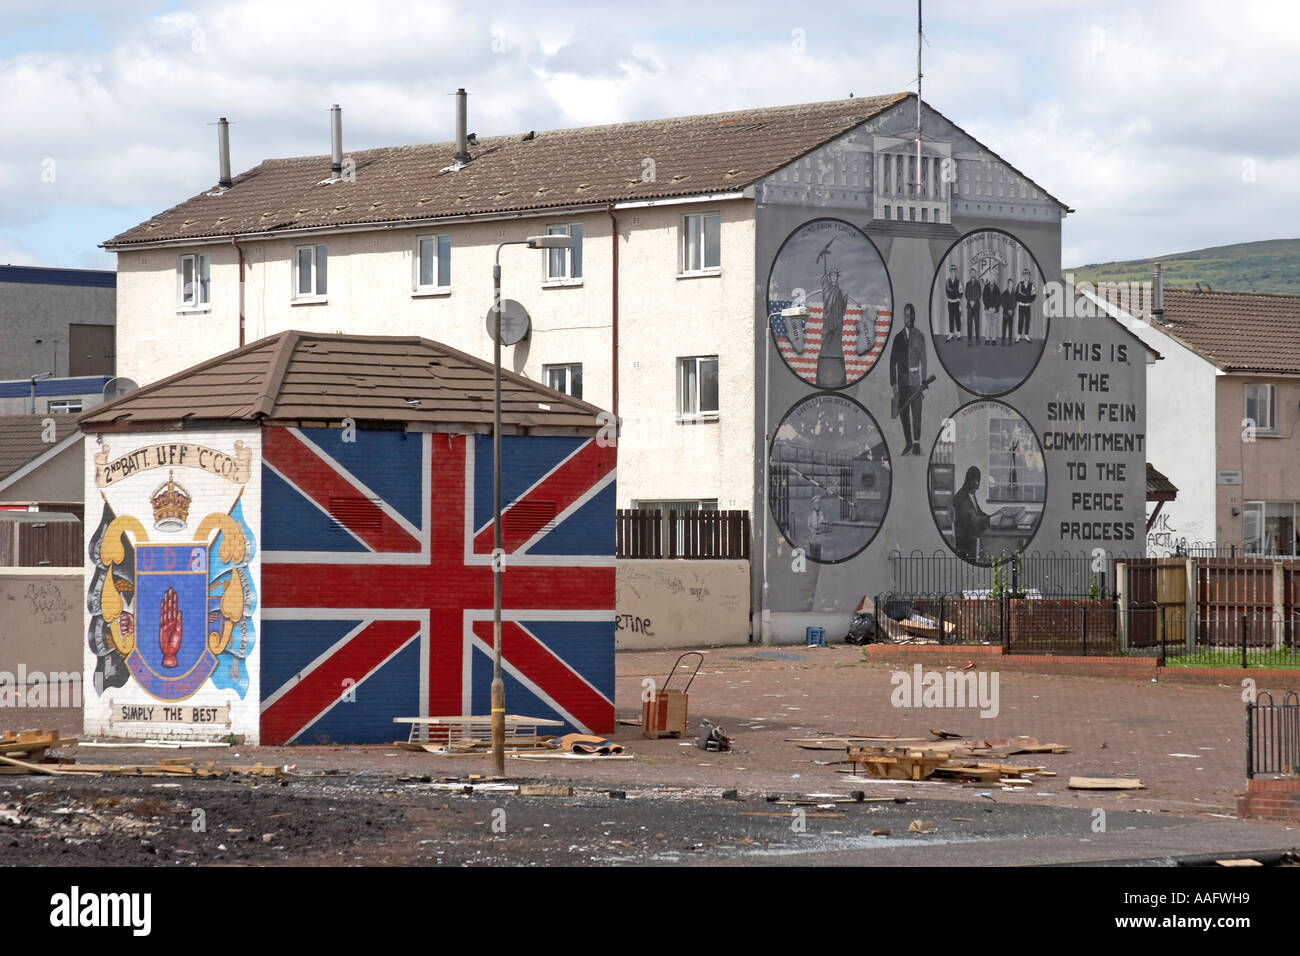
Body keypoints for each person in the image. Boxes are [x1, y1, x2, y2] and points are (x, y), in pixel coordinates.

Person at [889, 303, 927, 454]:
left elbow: (923, 360)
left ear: (914, 316)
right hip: (902, 383)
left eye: (911, 314)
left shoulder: (919, 335)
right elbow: (892, 362)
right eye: (906, 314)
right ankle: (909, 442)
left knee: (917, 413)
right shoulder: (898, 338)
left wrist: (924, 380)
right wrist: (893, 383)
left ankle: (917, 443)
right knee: (904, 414)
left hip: (916, 383)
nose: (908, 317)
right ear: (903, 316)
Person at [952, 466, 991, 563]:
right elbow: (973, 519)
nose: (978, 483)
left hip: (971, 536)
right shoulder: (962, 497)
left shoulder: (971, 495)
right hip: (965, 541)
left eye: (978, 480)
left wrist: (990, 517)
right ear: (970, 480)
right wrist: (990, 520)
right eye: (976, 480)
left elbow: (979, 512)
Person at [817, 266, 848, 387]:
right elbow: (823, 279)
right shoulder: (827, 288)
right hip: (828, 320)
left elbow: (841, 309)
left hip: (837, 322)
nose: (834, 277)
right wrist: (824, 257)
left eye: (835, 275)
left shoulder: (839, 291)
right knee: (826, 341)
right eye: (832, 275)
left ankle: (834, 352)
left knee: (836, 341)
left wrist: (844, 299)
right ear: (829, 277)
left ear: (837, 277)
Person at [1016, 267, 1037, 342]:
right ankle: (1018, 335)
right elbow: (1017, 294)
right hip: (1021, 305)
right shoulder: (1020, 284)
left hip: (1027, 306)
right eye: (1025, 275)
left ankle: (1026, 335)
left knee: (1027, 320)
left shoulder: (1032, 285)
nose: (1026, 276)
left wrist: (1028, 299)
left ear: (1029, 276)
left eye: (1028, 275)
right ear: (1023, 276)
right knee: (1020, 320)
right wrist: (1021, 299)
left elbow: (1033, 295)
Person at [807, 496, 830, 562]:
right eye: (816, 503)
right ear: (814, 505)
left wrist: (825, 522)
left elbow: (822, 523)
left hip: (819, 537)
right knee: (813, 554)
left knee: (818, 554)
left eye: (819, 503)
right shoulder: (810, 513)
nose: (818, 505)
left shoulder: (821, 513)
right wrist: (813, 531)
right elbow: (808, 526)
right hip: (812, 537)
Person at [982, 271, 1000, 346]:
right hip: (988, 309)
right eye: (991, 277)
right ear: (989, 279)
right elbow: (984, 298)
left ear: (995, 279)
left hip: (995, 310)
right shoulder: (985, 288)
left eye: (993, 277)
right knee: (987, 325)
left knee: (994, 325)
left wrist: (995, 308)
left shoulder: (997, 288)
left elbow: (999, 299)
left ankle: (993, 340)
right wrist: (989, 307)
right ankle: (986, 339)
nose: (992, 278)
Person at [944, 264, 962, 341]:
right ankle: (951, 334)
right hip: (950, 302)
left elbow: (961, 291)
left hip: (956, 302)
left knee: (957, 318)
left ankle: (959, 334)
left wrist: (958, 297)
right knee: (951, 318)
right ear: (950, 273)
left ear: (955, 273)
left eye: (954, 272)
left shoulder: (959, 282)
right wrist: (952, 296)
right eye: (951, 272)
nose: (952, 273)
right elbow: (947, 291)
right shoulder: (947, 282)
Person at [964, 266, 981, 346]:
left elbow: (979, 294)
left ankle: (977, 339)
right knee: (969, 323)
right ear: (970, 274)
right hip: (969, 307)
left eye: (974, 273)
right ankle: (969, 340)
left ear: (975, 274)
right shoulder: (967, 284)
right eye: (971, 273)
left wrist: (974, 301)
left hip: (976, 306)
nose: (972, 274)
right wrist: (970, 301)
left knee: (977, 323)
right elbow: (966, 294)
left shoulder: (978, 284)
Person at [1000, 277, 1016, 346]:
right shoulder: (1004, 293)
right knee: (1004, 327)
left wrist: (1011, 310)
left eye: (1012, 283)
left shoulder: (1014, 293)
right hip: (1005, 313)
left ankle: (1010, 341)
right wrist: (1008, 310)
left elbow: (1014, 303)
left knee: (1010, 328)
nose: (1011, 284)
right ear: (1007, 284)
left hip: (1011, 313)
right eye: (1010, 283)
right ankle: (1003, 341)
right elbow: (1002, 303)